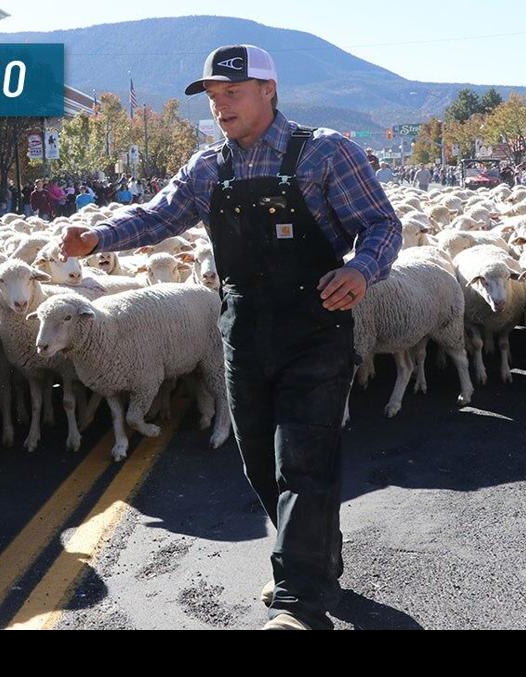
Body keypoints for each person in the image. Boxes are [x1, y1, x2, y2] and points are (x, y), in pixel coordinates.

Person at [59, 44, 401, 630]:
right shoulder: (208, 168)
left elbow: (381, 224)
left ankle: (299, 600)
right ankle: (315, 559)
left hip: (314, 324)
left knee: (303, 457)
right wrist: (98, 237)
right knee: (260, 462)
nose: (221, 106)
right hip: (244, 327)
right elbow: (157, 216)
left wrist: (361, 269)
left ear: (269, 90)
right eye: (214, 96)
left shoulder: (326, 153)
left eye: (233, 93)